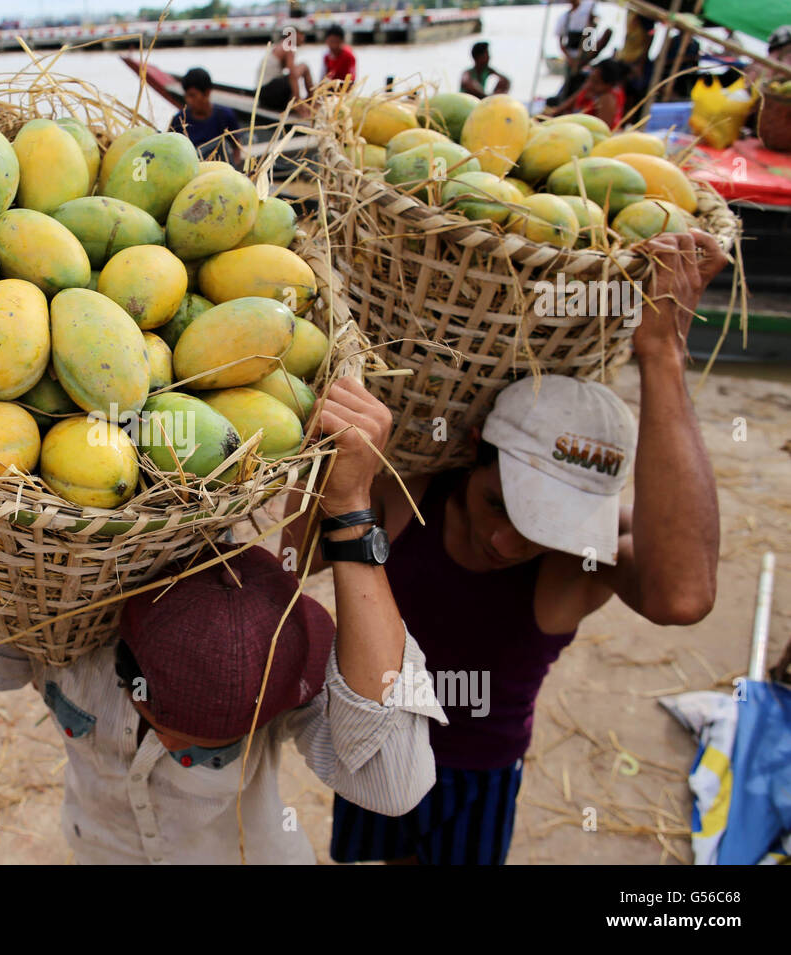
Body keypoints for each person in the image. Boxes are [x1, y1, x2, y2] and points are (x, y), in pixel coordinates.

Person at [286, 231, 728, 865]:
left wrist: (662, 354)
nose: (506, 541)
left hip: (479, 779)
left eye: (544, 526)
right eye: (500, 504)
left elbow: (683, 593)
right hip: (377, 746)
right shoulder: (404, 495)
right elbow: (286, 560)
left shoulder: (575, 566)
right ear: (470, 451)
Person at [0, 375, 446, 864]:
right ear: (125, 650)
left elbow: (394, 782)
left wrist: (350, 511)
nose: (177, 748)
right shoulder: (68, 623)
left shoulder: (278, 666)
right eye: (177, 726)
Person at [167, 68, 242, 163]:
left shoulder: (225, 116)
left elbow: (237, 148)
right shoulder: (179, 120)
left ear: (207, 93)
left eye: (193, 95)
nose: (188, 100)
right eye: (187, 96)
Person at [548, 58, 628, 128]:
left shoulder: (607, 99)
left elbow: (602, 131)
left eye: (596, 82)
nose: (589, 85)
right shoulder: (588, 89)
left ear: (609, 85)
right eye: (589, 79)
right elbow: (560, 109)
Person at [257, 28, 314, 113]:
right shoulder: (288, 47)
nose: (303, 37)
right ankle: (311, 101)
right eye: (300, 34)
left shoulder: (280, 46)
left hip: (263, 95)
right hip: (268, 93)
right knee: (304, 67)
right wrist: (298, 101)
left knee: (296, 72)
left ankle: (308, 101)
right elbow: (293, 75)